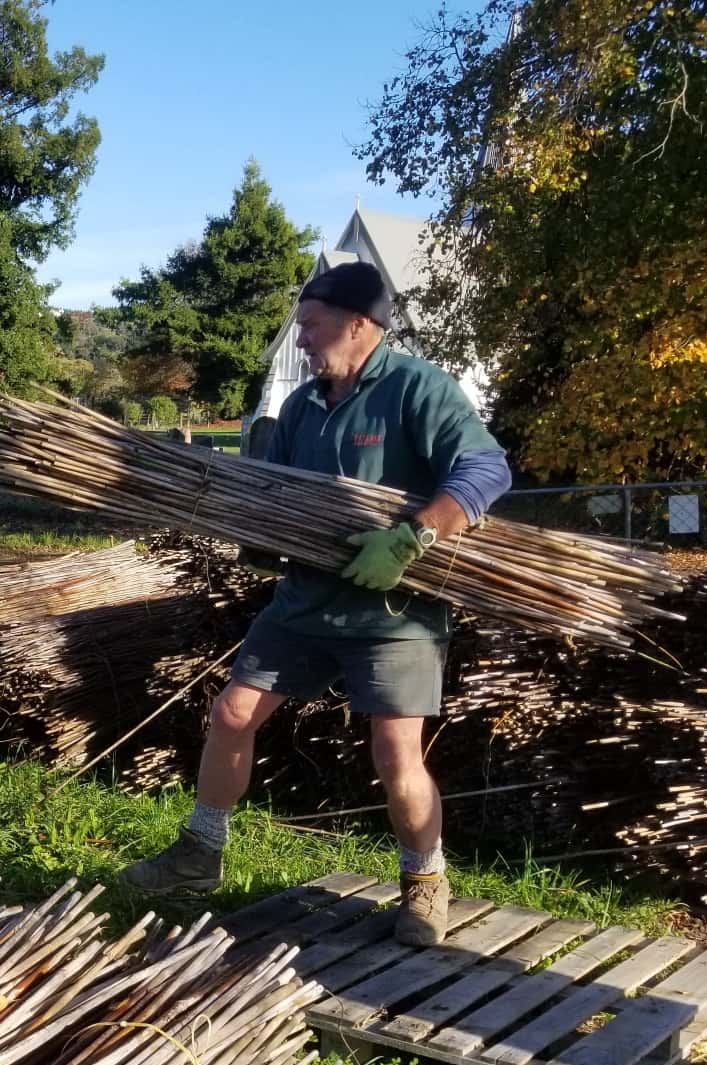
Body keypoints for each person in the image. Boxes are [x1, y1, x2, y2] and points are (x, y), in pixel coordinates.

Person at [120, 262, 513, 945]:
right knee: (233, 712)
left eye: (311, 324)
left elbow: (487, 469)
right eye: (301, 325)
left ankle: (425, 881)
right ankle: (200, 853)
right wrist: (262, 532)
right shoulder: (302, 405)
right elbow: (284, 493)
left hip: (394, 613)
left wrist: (410, 538)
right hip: (305, 600)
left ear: (360, 325)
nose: (300, 338)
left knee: (395, 751)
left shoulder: (418, 389)